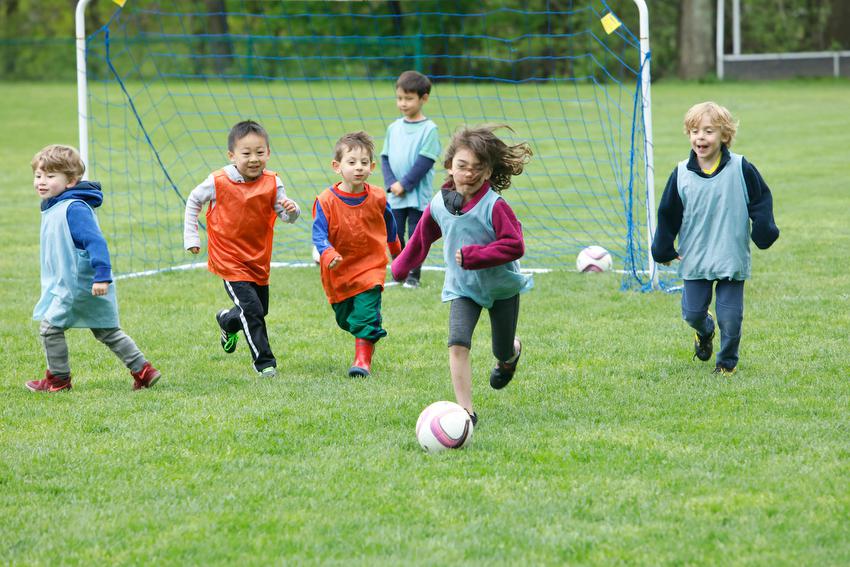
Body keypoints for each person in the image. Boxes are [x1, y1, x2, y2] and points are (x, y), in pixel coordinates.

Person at [391, 125, 533, 425]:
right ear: (449, 166)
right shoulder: (440, 205)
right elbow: (421, 237)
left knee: (501, 348)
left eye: (477, 168)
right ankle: (466, 411)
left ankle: (510, 355)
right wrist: (401, 267)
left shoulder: (495, 206)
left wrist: (475, 256)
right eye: (462, 166)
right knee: (457, 342)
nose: (468, 173)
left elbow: (515, 245)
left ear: (488, 172)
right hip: (462, 287)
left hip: (500, 288)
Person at [651, 101, 779, 375]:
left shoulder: (741, 168)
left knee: (730, 319)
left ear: (724, 135)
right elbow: (668, 212)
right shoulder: (681, 174)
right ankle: (704, 330)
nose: (701, 137)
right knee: (692, 313)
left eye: (709, 131)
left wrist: (764, 228)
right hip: (695, 257)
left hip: (730, 255)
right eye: (695, 131)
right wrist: (663, 248)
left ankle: (726, 364)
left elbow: (760, 200)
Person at [28, 144, 161, 392]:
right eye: (38, 175)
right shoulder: (55, 204)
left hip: (78, 285)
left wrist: (102, 277)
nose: (42, 182)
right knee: (106, 331)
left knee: (50, 328)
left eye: (50, 176)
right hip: (79, 282)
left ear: (70, 181)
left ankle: (58, 380)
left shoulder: (74, 208)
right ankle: (143, 370)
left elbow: (95, 242)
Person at [184, 120, 301, 378]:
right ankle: (265, 363)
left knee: (258, 310)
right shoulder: (218, 181)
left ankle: (227, 321)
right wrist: (192, 236)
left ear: (268, 153)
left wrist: (293, 211)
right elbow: (194, 200)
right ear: (232, 156)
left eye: (260, 153)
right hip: (229, 260)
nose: (253, 159)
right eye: (246, 153)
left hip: (258, 259)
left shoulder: (273, 182)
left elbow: (285, 214)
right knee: (253, 311)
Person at [312, 131, 402, 377]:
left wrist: (399, 256)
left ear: (372, 166)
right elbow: (318, 234)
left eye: (364, 163)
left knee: (365, 315)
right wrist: (328, 253)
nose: (358, 168)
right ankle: (367, 328)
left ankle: (362, 362)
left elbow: (391, 228)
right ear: (337, 166)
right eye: (351, 162)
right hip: (338, 270)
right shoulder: (326, 200)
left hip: (370, 266)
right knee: (346, 320)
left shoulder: (378, 197)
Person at [381, 70, 441, 289]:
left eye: (408, 98)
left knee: (417, 236)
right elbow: (385, 157)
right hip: (395, 194)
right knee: (395, 234)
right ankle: (399, 272)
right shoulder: (393, 128)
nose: (403, 103)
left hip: (416, 196)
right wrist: (391, 183)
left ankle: (414, 276)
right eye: (399, 98)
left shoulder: (429, 129)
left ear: (423, 98)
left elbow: (425, 161)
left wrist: (405, 185)